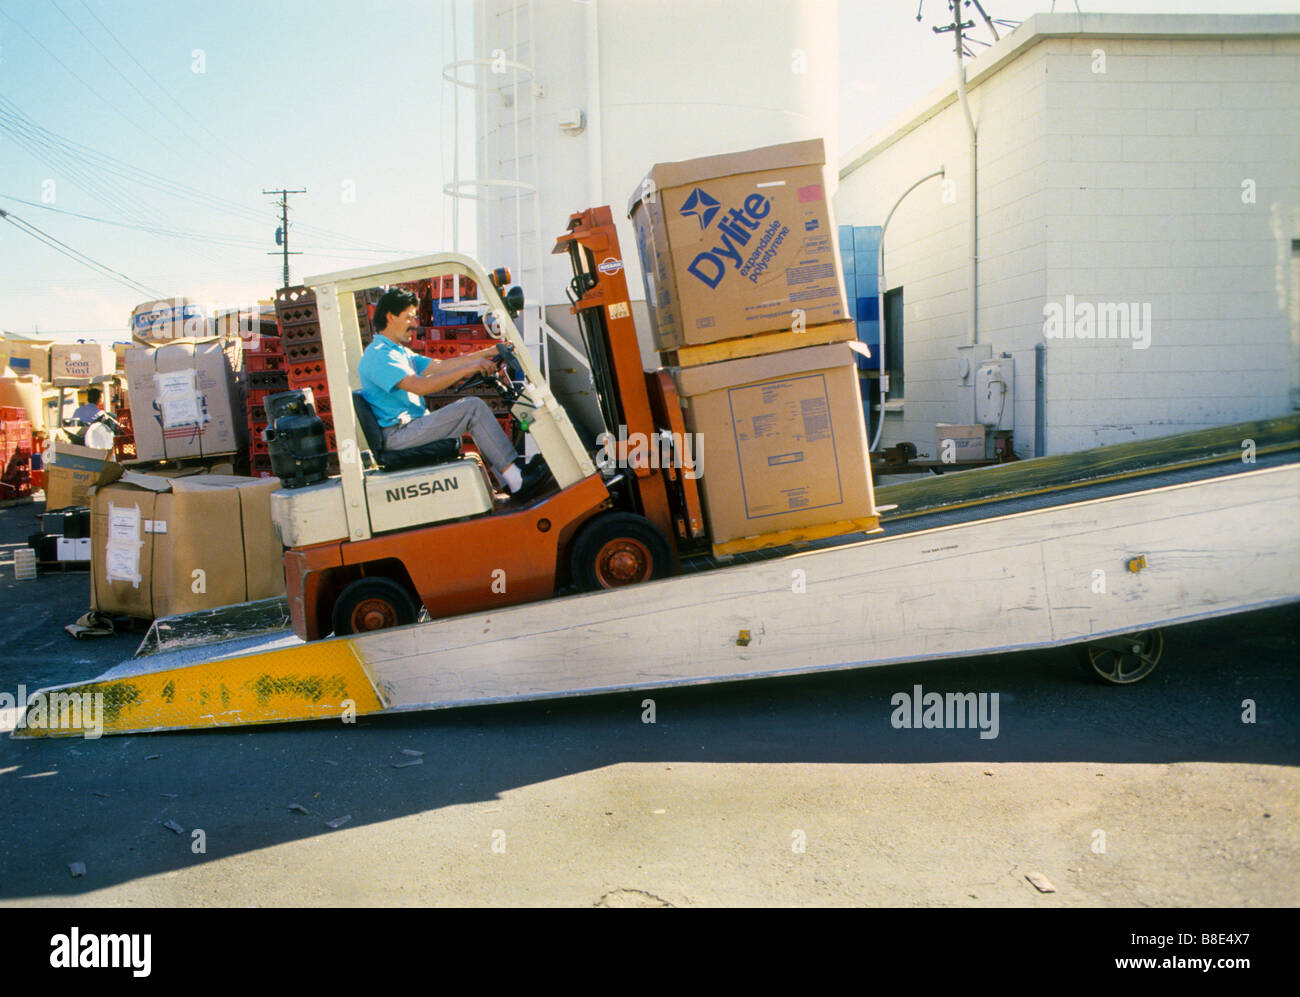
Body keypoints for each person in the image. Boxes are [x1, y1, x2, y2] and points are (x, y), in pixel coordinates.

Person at [357, 287, 549, 498]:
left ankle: (512, 477)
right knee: (472, 408)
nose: (414, 324)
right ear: (390, 317)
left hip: (410, 427)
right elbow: (419, 386)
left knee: (472, 409)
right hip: (399, 434)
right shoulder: (379, 355)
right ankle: (517, 481)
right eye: (409, 317)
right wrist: (472, 367)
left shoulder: (398, 351)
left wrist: (489, 352)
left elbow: (439, 366)